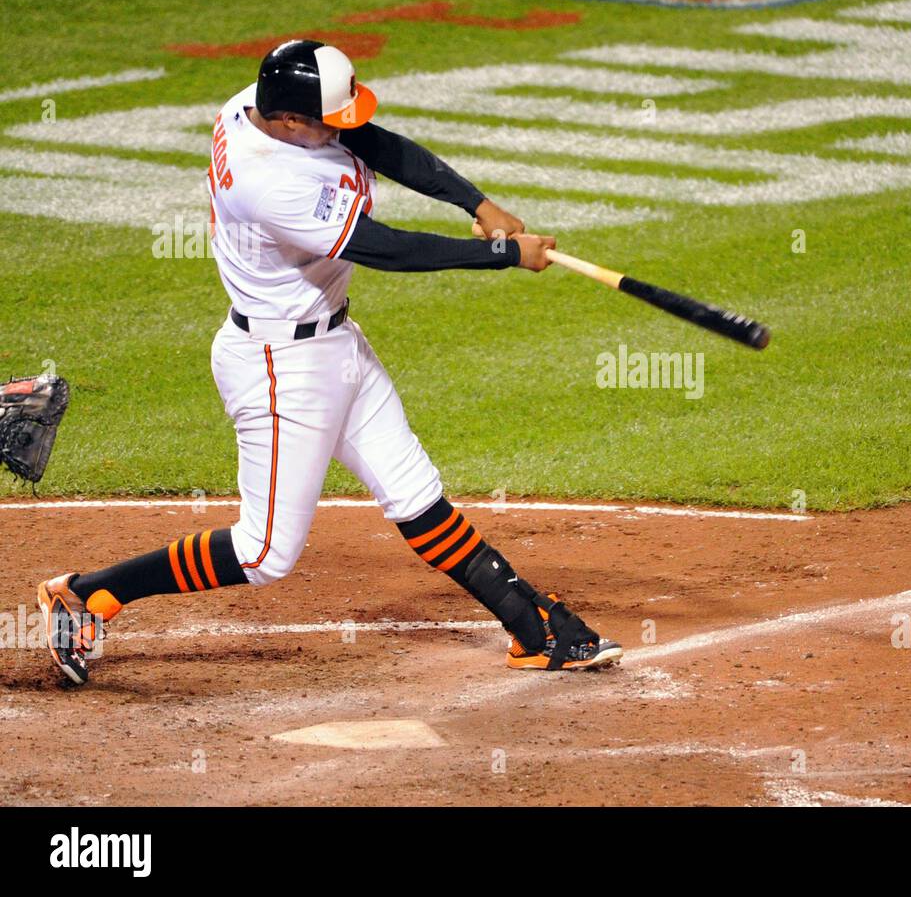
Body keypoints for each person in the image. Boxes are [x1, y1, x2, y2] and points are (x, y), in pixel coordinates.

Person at [37, 39, 622, 686]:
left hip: (334, 342)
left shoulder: (256, 107)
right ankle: (87, 593)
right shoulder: (270, 183)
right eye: (329, 121)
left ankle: (530, 630)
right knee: (265, 552)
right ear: (291, 121)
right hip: (280, 366)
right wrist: (505, 257)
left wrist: (477, 205)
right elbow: (387, 249)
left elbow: (376, 142)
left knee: (414, 492)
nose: (344, 129)